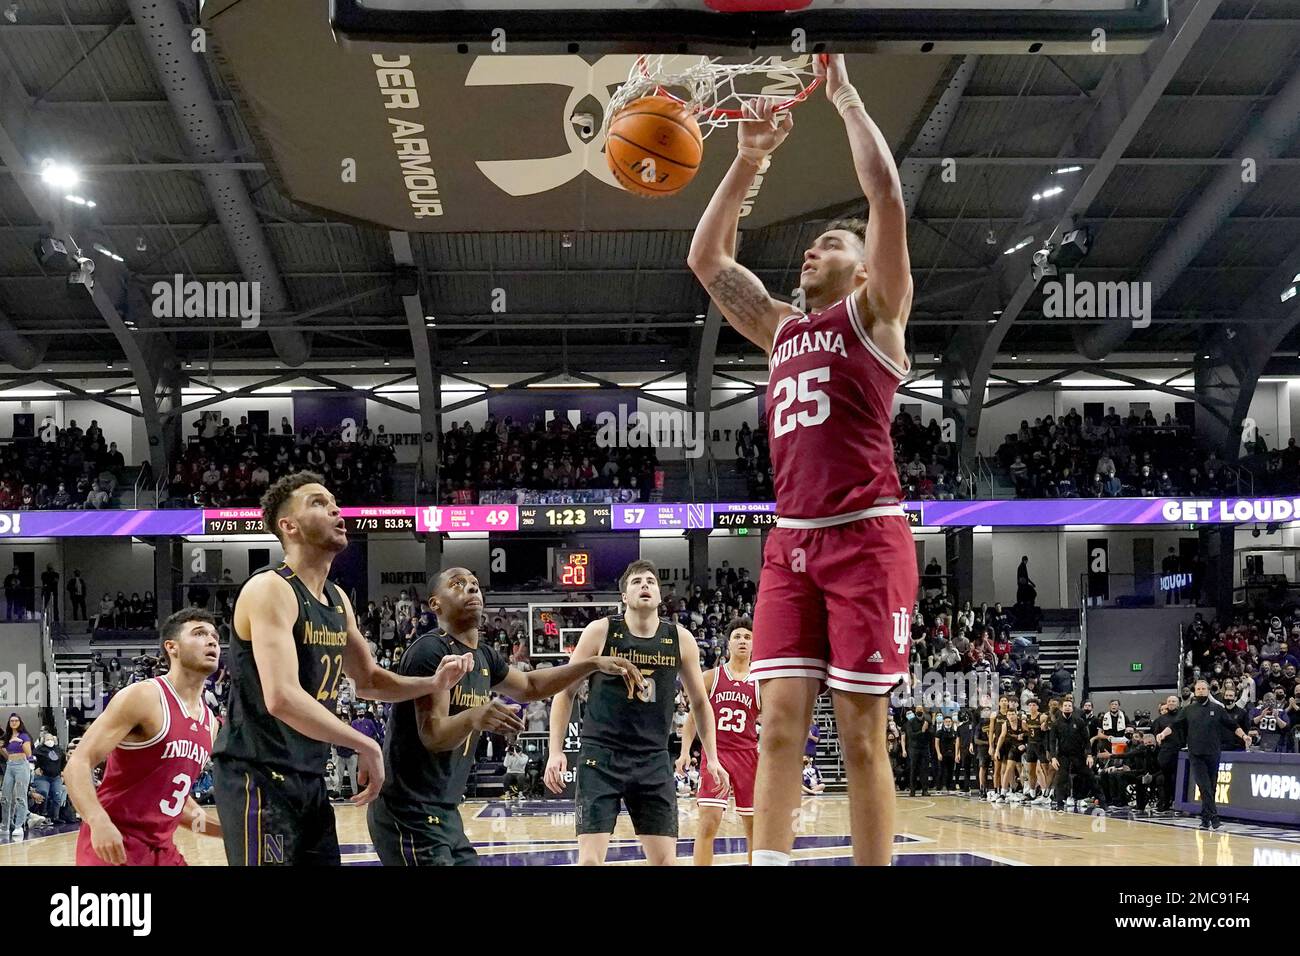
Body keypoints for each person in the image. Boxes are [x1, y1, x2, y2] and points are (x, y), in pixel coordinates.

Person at [689, 55, 916, 867]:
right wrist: (748, 160)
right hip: (791, 541)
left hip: (865, 536)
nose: (812, 251)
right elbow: (708, 261)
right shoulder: (782, 328)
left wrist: (847, 99)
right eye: (811, 246)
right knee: (779, 723)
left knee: (859, 734)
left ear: (864, 265)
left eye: (831, 243)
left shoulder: (876, 314)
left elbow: (886, 198)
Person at [212, 473, 467, 866]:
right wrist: (364, 743)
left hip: (309, 776)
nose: (334, 509)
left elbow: (369, 681)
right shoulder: (270, 588)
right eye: (318, 502)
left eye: (334, 501)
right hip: (258, 774)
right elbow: (281, 698)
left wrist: (432, 683)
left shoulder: (337, 599)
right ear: (289, 526)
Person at [370, 567, 643, 867]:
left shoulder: (484, 655)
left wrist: (590, 664)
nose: (471, 588)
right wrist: (475, 716)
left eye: (474, 583)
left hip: (443, 811)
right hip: (407, 809)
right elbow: (433, 736)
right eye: (458, 584)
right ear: (436, 604)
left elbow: (529, 686)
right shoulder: (430, 650)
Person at [545, 560, 726, 866]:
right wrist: (555, 751)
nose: (645, 585)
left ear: (659, 596)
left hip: (653, 758)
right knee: (589, 861)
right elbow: (565, 692)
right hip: (601, 757)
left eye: (651, 582)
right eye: (637, 581)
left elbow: (700, 702)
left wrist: (713, 757)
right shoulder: (600, 631)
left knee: (666, 862)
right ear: (624, 596)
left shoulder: (681, 638)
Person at [63, 610, 224, 865]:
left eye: (215, 636)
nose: (212, 640)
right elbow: (77, 764)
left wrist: (230, 832)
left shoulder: (210, 723)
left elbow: (178, 804)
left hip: (162, 850)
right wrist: (97, 820)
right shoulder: (144, 697)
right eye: (199, 634)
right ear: (172, 647)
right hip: (114, 843)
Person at [677, 618, 760, 866]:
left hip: (748, 756)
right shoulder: (711, 677)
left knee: (754, 826)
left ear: (754, 643)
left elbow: (773, 723)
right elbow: (693, 718)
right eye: (737, 637)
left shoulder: (760, 683)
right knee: (708, 823)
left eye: (747, 637)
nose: (742, 641)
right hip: (716, 754)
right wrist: (684, 751)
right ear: (728, 643)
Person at [1155, 679, 1249, 829]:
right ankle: (1214, 817)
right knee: (1204, 785)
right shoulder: (1188, 709)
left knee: (1211, 786)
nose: (1200, 691)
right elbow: (1174, 725)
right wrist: (1162, 734)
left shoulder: (1217, 709)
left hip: (1213, 752)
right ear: (1195, 691)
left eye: (1203, 689)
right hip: (1196, 753)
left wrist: (1244, 736)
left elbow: (1232, 725)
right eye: (1198, 689)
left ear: (1208, 691)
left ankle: (1205, 819)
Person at [1047, 697, 1091, 812]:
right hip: (1063, 754)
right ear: (1061, 708)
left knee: (1083, 776)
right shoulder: (1056, 723)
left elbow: (1086, 740)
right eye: (1065, 706)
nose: (1067, 707)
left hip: (1078, 754)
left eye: (1069, 706)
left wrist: (1089, 754)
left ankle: (1080, 798)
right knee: (1061, 778)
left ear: (1072, 708)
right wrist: (1053, 757)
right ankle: (1060, 802)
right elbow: (1052, 742)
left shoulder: (1079, 721)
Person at [1149, 694, 1183, 813]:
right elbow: (1155, 734)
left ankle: (1178, 802)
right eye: (1169, 701)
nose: (1171, 703)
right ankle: (1165, 802)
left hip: (1181, 751)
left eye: (1174, 701)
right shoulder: (1160, 719)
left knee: (1179, 777)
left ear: (1178, 703)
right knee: (1165, 779)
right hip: (1166, 752)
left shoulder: (1183, 716)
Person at [0, 713, 33, 840]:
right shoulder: (7, 736)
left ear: (20, 722)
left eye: (16, 720)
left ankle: (19, 825)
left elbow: (29, 754)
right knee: (5, 797)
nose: (13, 722)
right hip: (10, 765)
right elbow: (6, 753)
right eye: (11, 721)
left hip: (21, 765)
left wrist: (20, 742)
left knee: (20, 796)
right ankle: (5, 825)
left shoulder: (24, 736)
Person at [30, 730, 68, 825]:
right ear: (43, 740)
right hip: (43, 776)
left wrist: (63, 770)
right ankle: (42, 814)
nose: (49, 741)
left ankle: (55, 816)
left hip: (56, 777)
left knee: (57, 796)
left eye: (51, 739)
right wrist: (36, 767)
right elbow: (32, 759)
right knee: (43, 792)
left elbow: (63, 761)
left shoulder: (58, 750)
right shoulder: (39, 749)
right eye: (47, 739)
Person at [902, 705, 932, 797]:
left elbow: (931, 735)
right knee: (913, 770)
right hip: (914, 748)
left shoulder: (927, 722)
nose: (919, 711)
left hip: (924, 748)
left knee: (924, 770)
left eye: (920, 709)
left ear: (923, 711)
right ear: (915, 711)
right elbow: (911, 736)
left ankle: (925, 790)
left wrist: (927, 731)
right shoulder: (910, 722)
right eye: (917, 709)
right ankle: (912, 790)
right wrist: (922, 731)